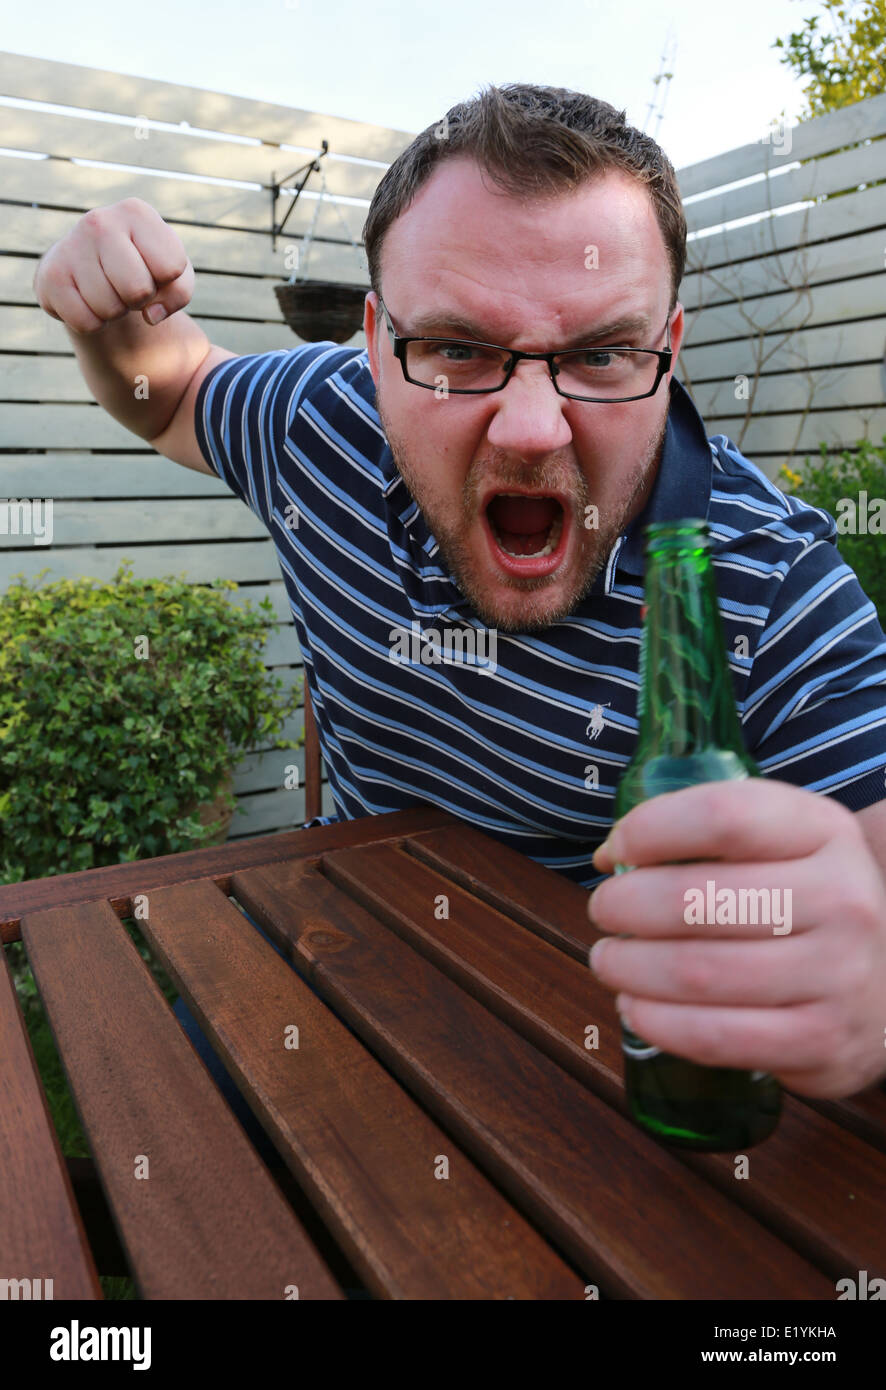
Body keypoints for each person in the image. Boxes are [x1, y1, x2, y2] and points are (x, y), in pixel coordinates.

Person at [34, 83, 886, 1110]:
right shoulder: (321, 426)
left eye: (603, 353)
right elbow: (165, 390)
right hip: (330, 949)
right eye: (456, 348)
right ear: (372, 344)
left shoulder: (770, 587)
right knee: (153, 1136)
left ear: (670, 351)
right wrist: (106, 319)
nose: (531, 429)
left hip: (583, 1069)